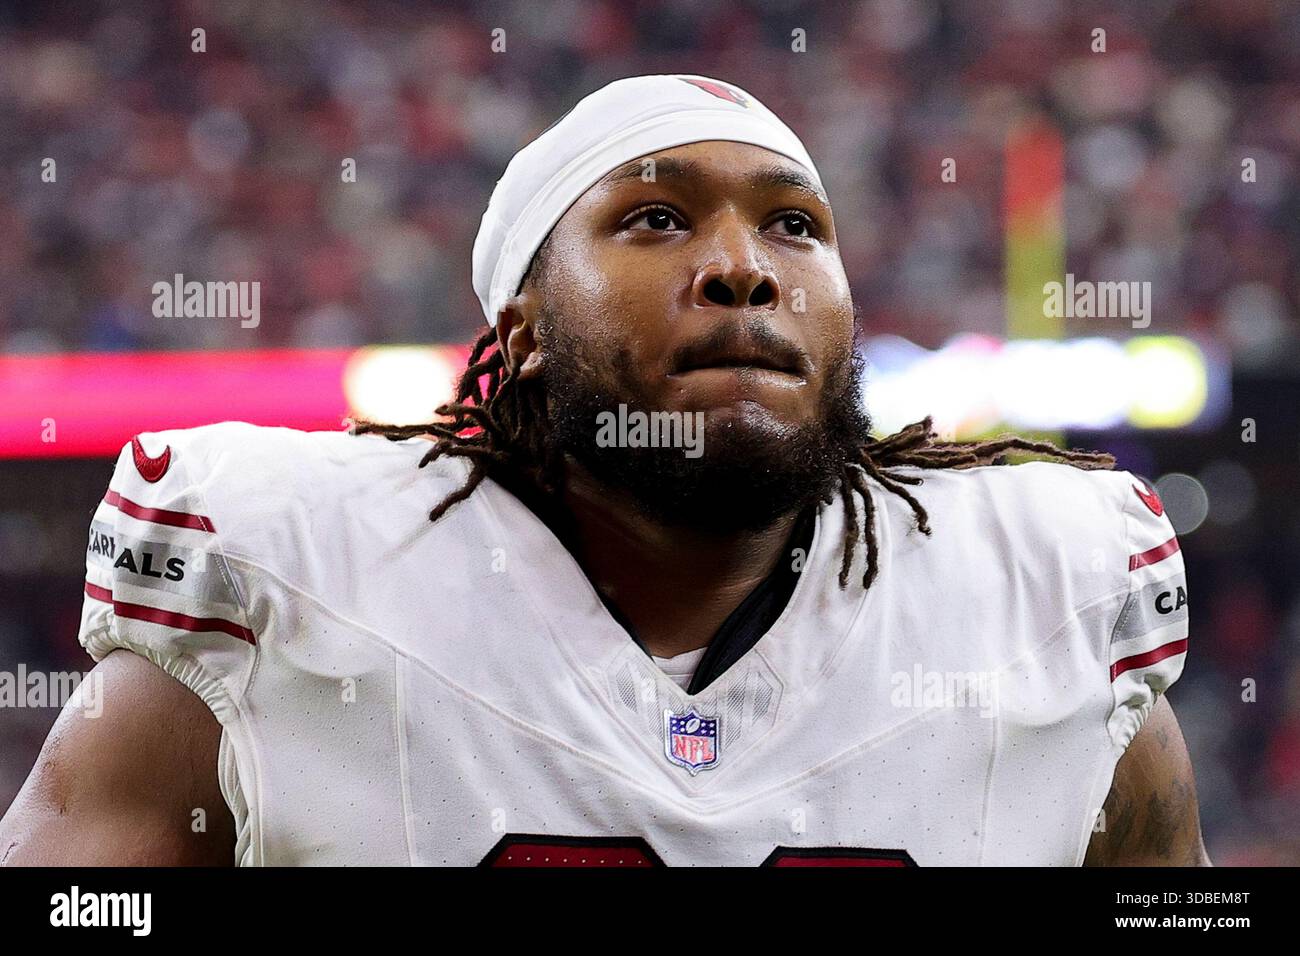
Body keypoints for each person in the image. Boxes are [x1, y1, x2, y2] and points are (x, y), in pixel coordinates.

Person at [0, 75, 1207, 866]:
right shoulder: (285, 576)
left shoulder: (1050, 591)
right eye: (656, 219)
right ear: (522, 327)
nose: (743, 267)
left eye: (794, 224)